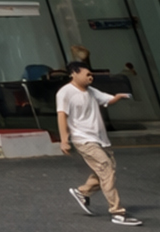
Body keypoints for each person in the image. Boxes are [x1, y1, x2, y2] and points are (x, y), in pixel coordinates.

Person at [60, 61, 140, 225]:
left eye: (91, 75)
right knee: (106, 168)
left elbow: (107, 100)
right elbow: (62, 115)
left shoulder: (91, 91)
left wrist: (118, 97)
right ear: (74, 74)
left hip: (99, 139)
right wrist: (64, 140)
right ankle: (117, 212)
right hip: (83, 139)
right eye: (87, 74)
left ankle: (83, 192)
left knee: (107, 169)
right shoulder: (65, 93)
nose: (90, 77)